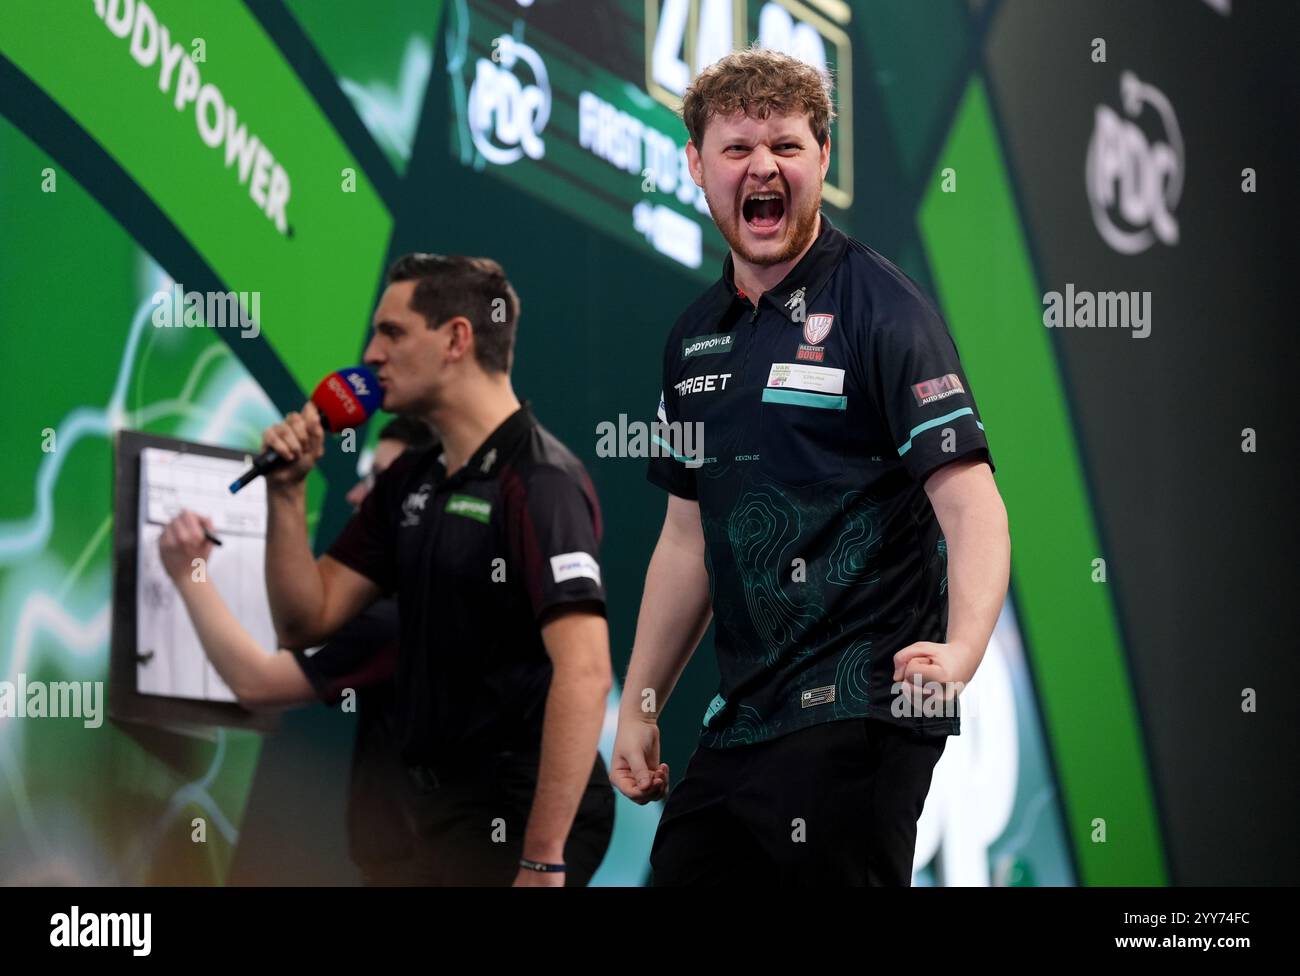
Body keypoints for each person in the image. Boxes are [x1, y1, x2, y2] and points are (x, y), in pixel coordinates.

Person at [610, 48, 1011, 886]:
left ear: (822, 160)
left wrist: (963, 651)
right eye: (737, 148)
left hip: (864, 709)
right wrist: (643, 702)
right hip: (742, 719)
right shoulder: (691, 340)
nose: (764, 166)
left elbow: (971, 503)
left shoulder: (885, 310)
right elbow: (686, 538)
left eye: (788, 147)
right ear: (696, 165)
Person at [258, 253, 614, 886]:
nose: (368, 354)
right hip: (434, 806)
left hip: (519, 809)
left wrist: (540, 859)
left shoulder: (541, 480)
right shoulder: (408, 481)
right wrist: (285, 493)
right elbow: (302, 620)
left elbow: (586, 673)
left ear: (456, 339)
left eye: (391, 332)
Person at [158, 416, 433, 884]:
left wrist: (191, 573)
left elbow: (256, 681)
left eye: (380, 482)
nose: (357, 496)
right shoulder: (422, 598)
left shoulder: (398, 615)